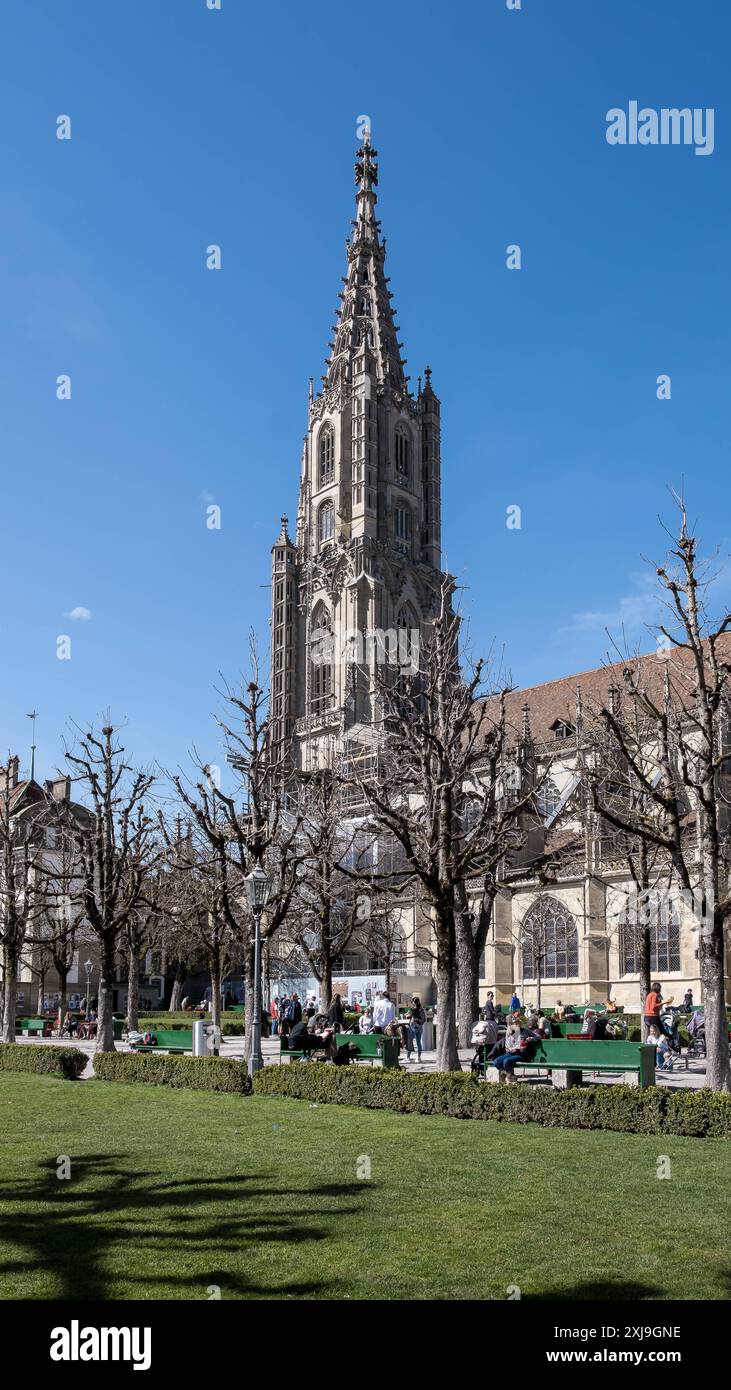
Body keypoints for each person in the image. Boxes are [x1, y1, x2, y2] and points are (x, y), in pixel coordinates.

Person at [406, 995, 427, 1061]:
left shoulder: (413, 1010)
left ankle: (408, 1057)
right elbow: (424, 1019)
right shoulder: (422, 1010)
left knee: (409, 1041)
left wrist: (409, 1016)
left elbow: (408, 1016)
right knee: (418, 1042)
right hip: (420, 1028)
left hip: (413, 1027)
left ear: (413, 1002)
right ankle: (418, 1057)